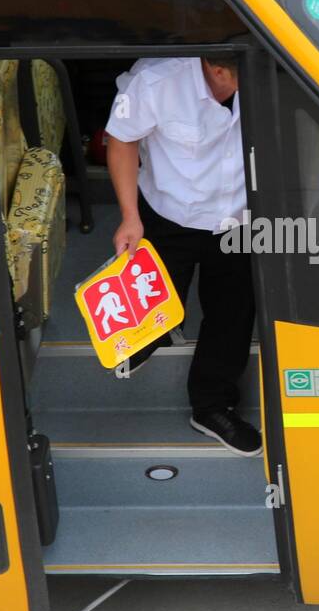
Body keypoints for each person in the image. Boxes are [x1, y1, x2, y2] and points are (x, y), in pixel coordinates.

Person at [104, 56, 261, 457]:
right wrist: (129, 217)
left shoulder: (270, 72)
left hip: (238, 219)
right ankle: (154, 332)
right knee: (155, 296)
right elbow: (121, 139)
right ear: (219, 70)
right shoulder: (156, 81)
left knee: (232, 315)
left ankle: (211, 408)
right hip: (169, 213)